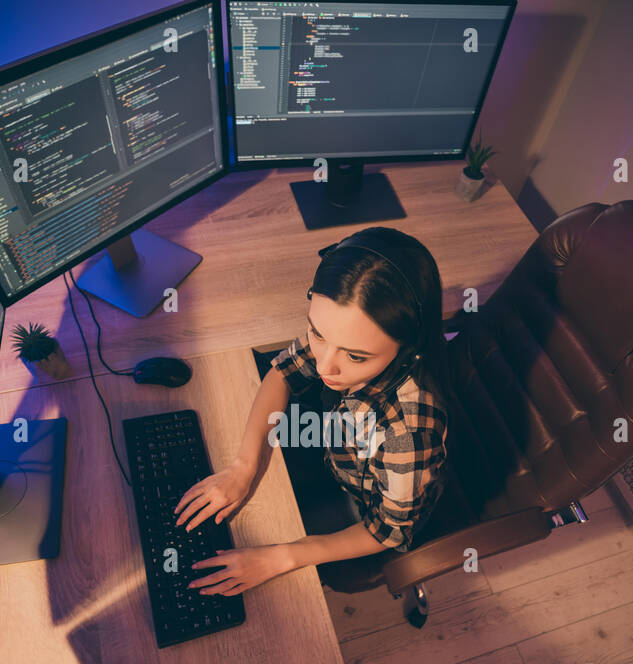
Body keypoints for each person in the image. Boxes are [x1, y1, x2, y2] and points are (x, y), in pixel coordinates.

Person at [173, 226, 450, 596]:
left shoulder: (407, 439)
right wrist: (243, 466)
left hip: (361, 510)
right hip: (333, 450)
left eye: (355, 356)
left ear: (406, 349)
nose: (325, 367)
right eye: (317, 334)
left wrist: (283, 557)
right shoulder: (342, 332)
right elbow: (283, 372)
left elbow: (388, 530)